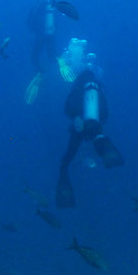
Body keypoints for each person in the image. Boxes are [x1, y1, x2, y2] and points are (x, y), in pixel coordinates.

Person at [55, 39, 123, 208]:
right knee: (97, 136)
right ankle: (105, 146)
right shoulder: (97, 85)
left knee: (68, 158)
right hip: (96, 121)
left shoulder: (79, 83)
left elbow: (68, 105)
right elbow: (105, 110)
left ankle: (64, 183)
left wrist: (75, 117)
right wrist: (99, 124)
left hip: (79, 123)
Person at [24, 0, 58, 104]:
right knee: (51, 55)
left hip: (41, 33)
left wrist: (33, 27)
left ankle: (40, 73)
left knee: (34, 56)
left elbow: (30, 20)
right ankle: (61, 62)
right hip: (51, 31)